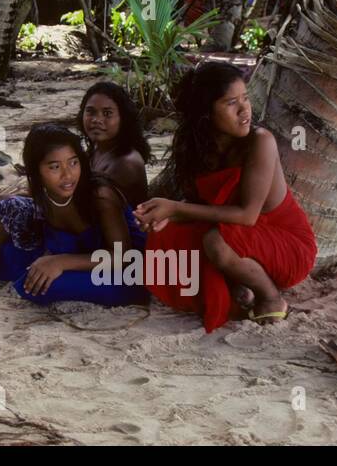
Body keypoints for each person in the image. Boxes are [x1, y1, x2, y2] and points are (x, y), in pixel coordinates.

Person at [134, 62, 317, 329]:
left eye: (245, 98)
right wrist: (164, 216)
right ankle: (241, 285)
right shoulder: (198, 148)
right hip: (237, 232)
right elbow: (200, 206)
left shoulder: (260, 141)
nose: (245, 109)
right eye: (231, 102)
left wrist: (175, 209)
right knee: (165, 233)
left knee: (216, 243)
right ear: (206, 113)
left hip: (286, 244)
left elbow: (247, 215)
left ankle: (270, 297)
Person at [0, 123, 146, 306]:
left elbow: (124, 257)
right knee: (11, 255)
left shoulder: (100, 196)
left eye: (73, 162)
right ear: (36, 170)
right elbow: (23, 199)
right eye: (55, 167)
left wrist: (61, 262)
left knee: (36, 285)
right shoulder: (42, 191)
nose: (68, 175)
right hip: (78, 261)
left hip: (122, 273)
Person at [77, 81, 151, 205]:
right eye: (91, 112)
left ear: (123, 118)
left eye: (107, 113)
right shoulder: (97, 148)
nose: (97, 120)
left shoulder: (126, 163)